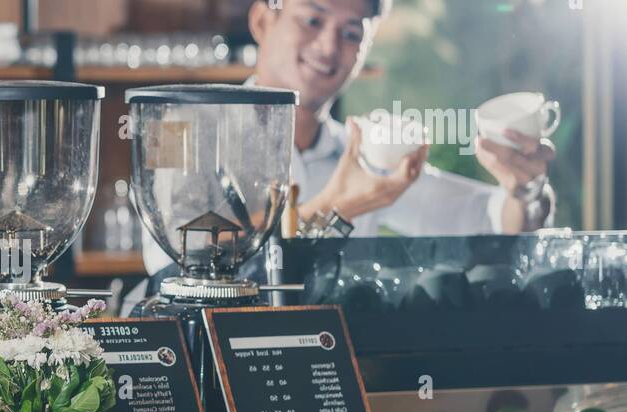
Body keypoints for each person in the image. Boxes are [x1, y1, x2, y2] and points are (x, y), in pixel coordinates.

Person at [140, 0, 558, 277]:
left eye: (352, 32)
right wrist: (339, 206)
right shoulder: (182, 128)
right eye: (313, 19)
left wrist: (525, 187)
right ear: (263, 20)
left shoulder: (366, 155)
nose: (328, 46)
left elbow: (485, 219)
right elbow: (180, 267)